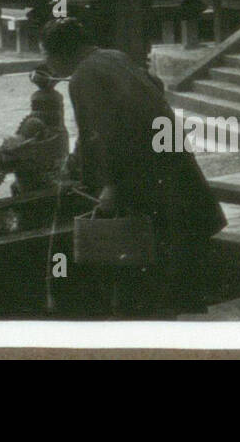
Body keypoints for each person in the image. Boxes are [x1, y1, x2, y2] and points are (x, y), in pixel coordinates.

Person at [41, 17, 225, 313]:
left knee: (143, 274)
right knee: (173, 263)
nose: (47, 64)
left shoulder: (83, 77)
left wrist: (109, 184)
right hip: (171, 166)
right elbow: (149, 92)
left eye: (47, 56)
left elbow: (102, 134)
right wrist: (75, 161)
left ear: (61, 53)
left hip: (143, 178)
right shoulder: (115, 57)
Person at [0, 64, 70, 195]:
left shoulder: (34, 124)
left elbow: (15, 152)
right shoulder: (58, 130)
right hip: (51, 179)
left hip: (34, 182)